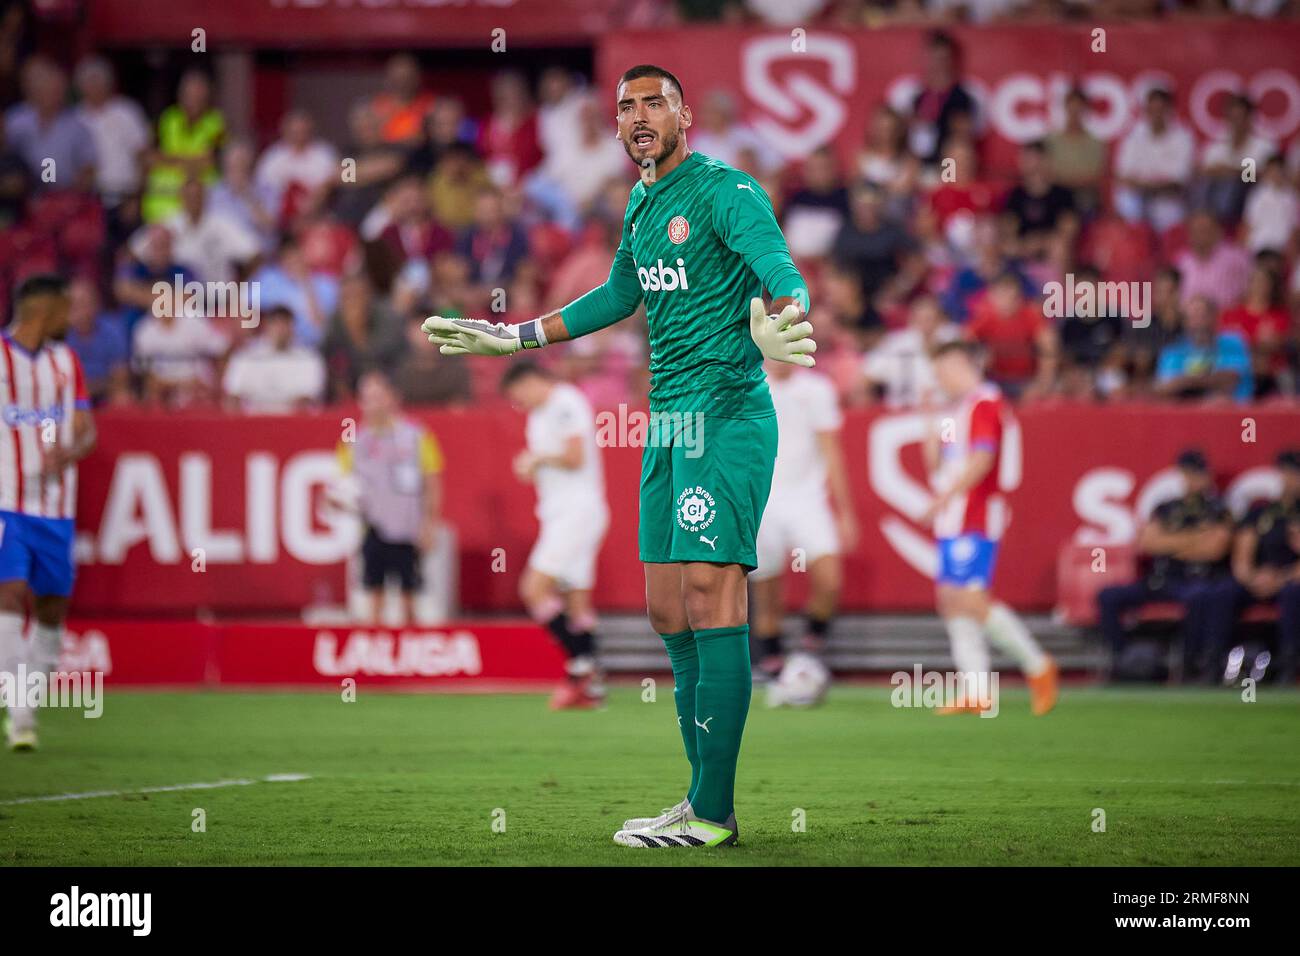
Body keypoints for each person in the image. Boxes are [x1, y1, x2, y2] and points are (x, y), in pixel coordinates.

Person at [423, 64, 816, 849]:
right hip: (667, 425)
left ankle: (714, 813)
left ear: (684, 115)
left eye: (653, 103)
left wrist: (783, 317)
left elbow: (781, 272)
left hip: (728, 416)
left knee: (712, 590)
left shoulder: (725, 191)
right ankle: (700, 795)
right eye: (626, 106)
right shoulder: (640, 204)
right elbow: (617, 296)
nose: (639, 116)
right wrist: (515, 335)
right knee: (666, 607)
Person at [920, 340, 1058, 716]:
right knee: (950, 598)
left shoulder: (985, 403)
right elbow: (936, 464)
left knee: (969, 599)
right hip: (955, 516)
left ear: (961, 364)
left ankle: (1038, 665)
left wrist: (944, 498)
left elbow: (983, 458)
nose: (938, 378)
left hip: (975, 514)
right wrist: (930, 420)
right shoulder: (959, 411)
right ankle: (977, 689)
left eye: (941, 369)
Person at [0, 275, 98, 751]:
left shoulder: (66, 361)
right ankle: (19, 716)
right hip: (6, 503)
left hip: (56, 508)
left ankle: (26, 707)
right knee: (10, 595)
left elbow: (87, 430)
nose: (71, 318)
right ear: (44, 311)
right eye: (66, 308)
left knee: (51, 610)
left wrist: (73, 450)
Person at [500, 361, 610, 710]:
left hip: (576, 513)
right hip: (563, 513)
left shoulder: (565, 401)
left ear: (531, 382)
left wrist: (536, 460)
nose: (519, 403)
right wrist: (534, 465)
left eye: (518, 394)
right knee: (577, 601)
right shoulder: (538, 416)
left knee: (533, 589)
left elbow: (575, 457)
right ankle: (590, 688)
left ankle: (579, 669)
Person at [750, 359, 857, 681]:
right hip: (762, 501)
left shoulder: (817, 390)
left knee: (830, 579)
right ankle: (771, 661)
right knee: (766, 590)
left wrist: (845, 511)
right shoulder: (749, 385)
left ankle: (810, 645)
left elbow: (831, 450)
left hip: (808, 500)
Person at [1096, 449, 1233, 681]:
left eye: (1196, 474)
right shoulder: (1166, 507)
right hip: (1159, 580)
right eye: (1187, 474)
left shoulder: (1218, 509)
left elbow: (1215, 549)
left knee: (1201, 597)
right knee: (1107, 596)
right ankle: (1123, 661)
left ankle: (1191, 665)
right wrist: (1195, 538)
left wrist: (1169, 541)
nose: (1191, 480)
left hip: (1194, 581)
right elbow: (1148, 543)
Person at [336, 371, 442, 625]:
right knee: (374, 595)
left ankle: (411, 654)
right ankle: (375, 654)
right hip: (373, 528)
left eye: (378, 396)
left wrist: (429, 523)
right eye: (367, 397)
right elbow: (342, 486)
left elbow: (432, 482)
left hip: (408, 528)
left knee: (410, 595)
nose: (372, 403)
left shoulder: (417, 436)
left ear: (393, 398)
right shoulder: (353, 441)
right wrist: (336, 501)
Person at [1196, 449, 1300, 685]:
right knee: (1223, 592)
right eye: (1286, 473)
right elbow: (1243, 553)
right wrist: (1251, 577)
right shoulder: (1262, 511)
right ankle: (1214, 662)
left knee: (1293, 595)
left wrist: (1282, 578)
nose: (1290, 480)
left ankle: (1288, 663)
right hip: (1257, 579)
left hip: (1290, 580)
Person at [221, 305, 325, 413]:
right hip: (251, 419)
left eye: (285, 324)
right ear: (267, 326)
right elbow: (232, 393)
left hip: (294, 420)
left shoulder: (309, 359)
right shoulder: (246, 357)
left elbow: (311, 396)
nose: (281, 330)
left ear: (293, 327)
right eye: (276, 324)